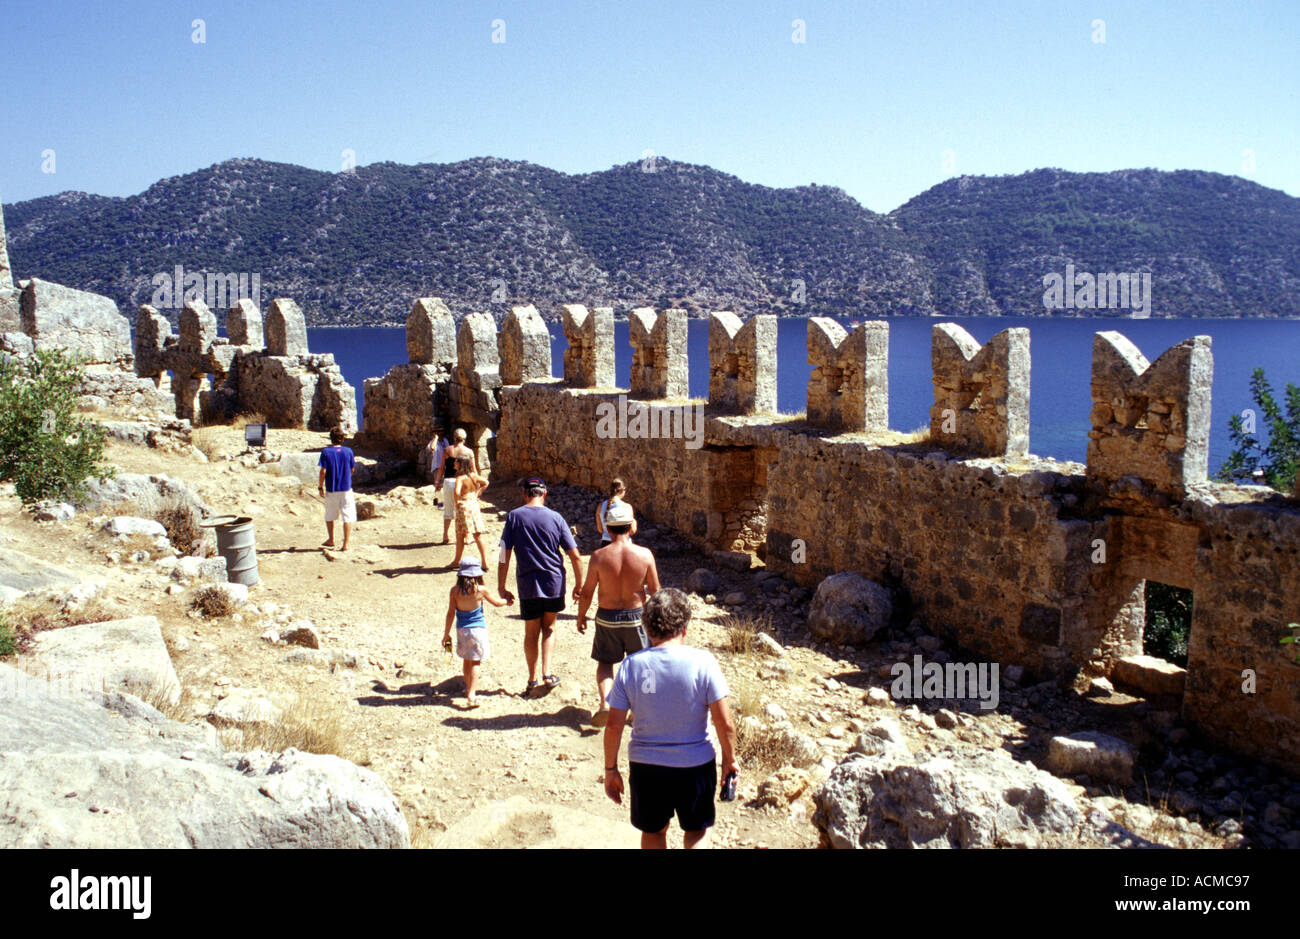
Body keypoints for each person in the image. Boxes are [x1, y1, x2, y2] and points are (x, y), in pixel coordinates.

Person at [602, 587, 738, 850]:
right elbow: (725, 723)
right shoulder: (704, 662)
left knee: (653, 832)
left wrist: (610, 770)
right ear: (685, 626)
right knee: (697, 832)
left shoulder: (632, 665)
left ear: (647, 630)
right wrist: (729, 759)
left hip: (647, 767)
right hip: (695, 764)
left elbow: (614, 725)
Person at [497, 476, 583, 697]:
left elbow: (504, 554)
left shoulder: (514, 517)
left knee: (531, 632)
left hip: (527, 583)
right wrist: (579, 585)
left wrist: (501, 585)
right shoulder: (556, 518)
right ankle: (547, 673)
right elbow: (574, 555)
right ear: (544, 494)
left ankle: (532, 679)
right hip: (553, 582)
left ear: (525, 494)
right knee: (550, 628)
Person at [576, 501, 659, 727]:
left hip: (607, 617)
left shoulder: (599, 556)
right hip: (637, 616)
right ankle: (638, 711)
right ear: (631, 528)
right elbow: (656, 592)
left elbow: (587, 593)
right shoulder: (645, 555)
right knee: (641, 664)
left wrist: (581, 616)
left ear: (608, 529)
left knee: (605, 663)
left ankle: (605, 704)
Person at [442, 559, 512, 708]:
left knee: (467, 660)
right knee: (475, 662)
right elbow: (497, 603)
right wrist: (507, 601)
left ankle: (469, 689)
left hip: (462, 630)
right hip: (478, 630)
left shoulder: (455, 591)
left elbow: (450, 613)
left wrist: (446, 634)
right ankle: (472, 695)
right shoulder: (481, 590)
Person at [317, 427, 356, 551]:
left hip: (331, 488)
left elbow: (323, 471)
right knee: (347, 515)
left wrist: (320, 486)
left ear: (330, 438)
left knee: (330, 515)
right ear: (343, 439)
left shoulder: (326, 452)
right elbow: (352, 469)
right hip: (346, 488)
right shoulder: (348, 451)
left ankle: (331, 539)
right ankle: (345, 544)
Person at [438, 428, 477, 545]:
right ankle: (466, 536)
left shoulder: (447, 450)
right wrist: (476, 484)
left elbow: (441, 468)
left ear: (454, 437)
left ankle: (445, 536)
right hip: (463, 482)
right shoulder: (469, 452)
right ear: (464, 438)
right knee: (462, 509)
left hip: (449, 482)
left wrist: (436, 481)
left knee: (448, 509)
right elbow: (473, 469)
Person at [452, 461, 490, 570]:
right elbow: (486, 482)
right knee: (478, 535)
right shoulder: (473, 476)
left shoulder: (460, 478)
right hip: (473, 505)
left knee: (460, 535)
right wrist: (477, 493)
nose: (454, 463)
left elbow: (457, 492)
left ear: (461, 464)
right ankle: (484, 562)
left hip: (463, 507)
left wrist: (457, 501)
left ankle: (456, 561)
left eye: (456, 462)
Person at [595, 477, 638, 544]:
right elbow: (632, 531)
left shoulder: (600, 507)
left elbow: (600, 530)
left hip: (606, 543)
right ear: (622, 491)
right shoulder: (627, 507)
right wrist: (635, 523)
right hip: (624, 544)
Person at [425, 422, 450, 510]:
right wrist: (435, 438)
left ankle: (437, 501)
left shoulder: (445, 441)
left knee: (440, 485)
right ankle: (439, 504)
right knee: (439, 485)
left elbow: (448, 451)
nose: (441, 433)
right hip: (436, 466)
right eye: (438, 432)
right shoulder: (433, 442)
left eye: (441, 431)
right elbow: (431, 448)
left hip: (443, 466)